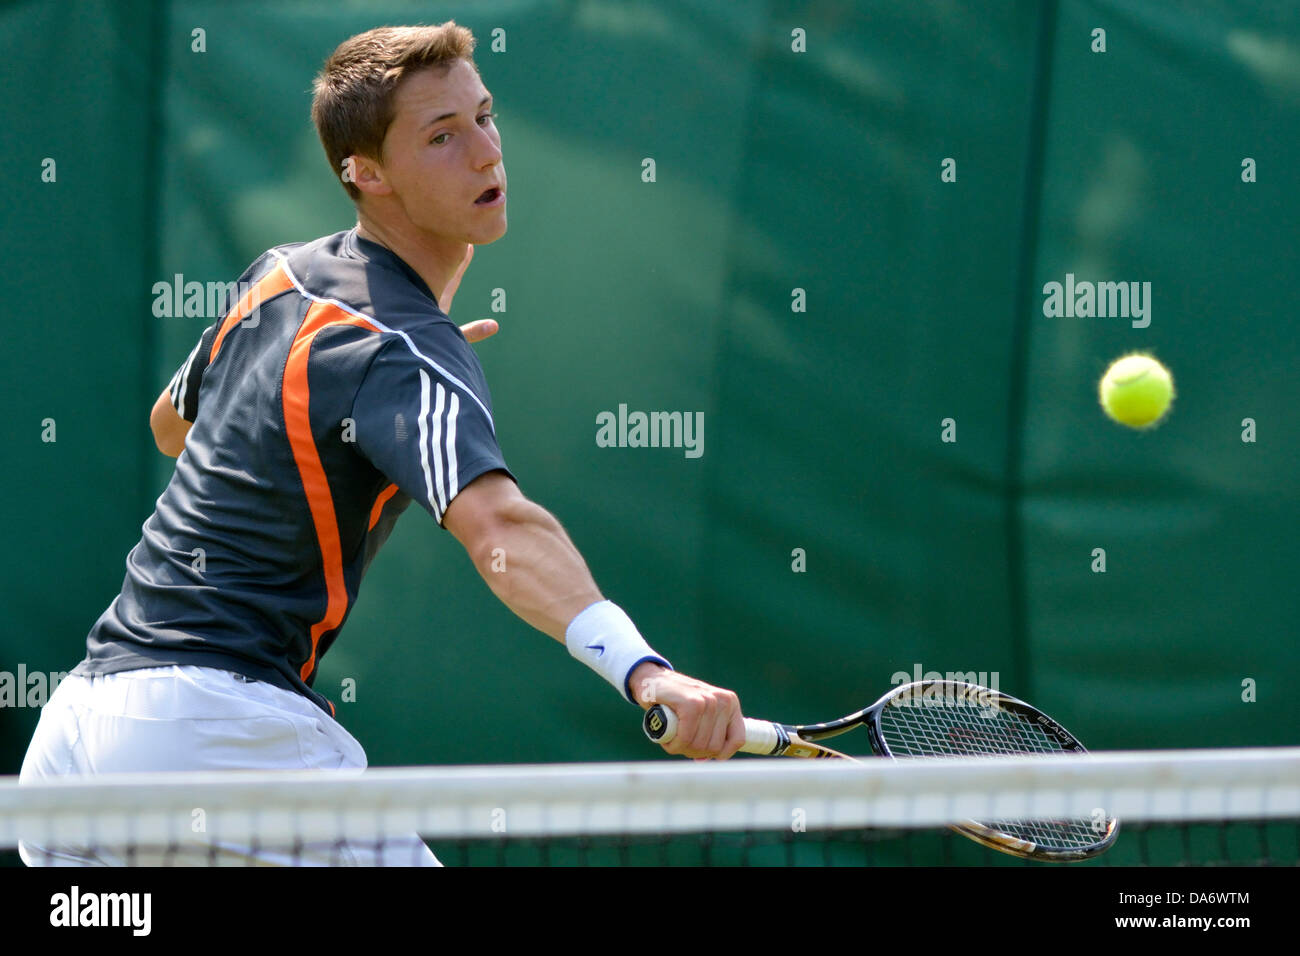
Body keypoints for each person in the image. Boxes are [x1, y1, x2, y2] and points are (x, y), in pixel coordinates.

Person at [19, 21, 743, 866]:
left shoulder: (278, 275)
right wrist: (645, 673)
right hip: (216, 738)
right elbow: (503, 532)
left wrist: (347, 418)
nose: (486, 153)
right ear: (364, 173)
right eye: (443, 136)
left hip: (76, 742)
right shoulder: (403, 348)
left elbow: (170, 425)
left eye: (486, 116)